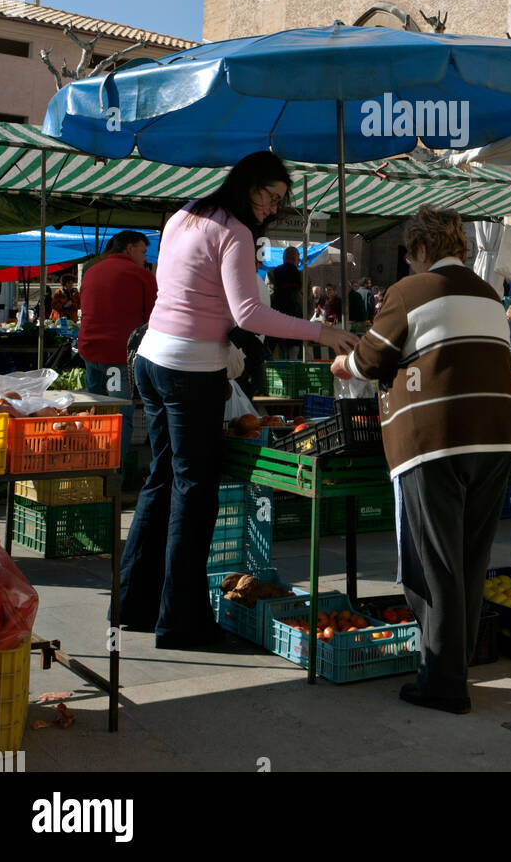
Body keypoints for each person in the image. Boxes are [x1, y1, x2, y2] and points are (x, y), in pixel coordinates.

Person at [119, 151, 356, 650]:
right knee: (193, 491)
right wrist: (322, 332)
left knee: (161, 479)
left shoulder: (185, 214)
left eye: (278, 200)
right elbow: (249, 312)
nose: (271, 207)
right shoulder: (236, 232)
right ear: (245, 184)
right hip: (189, 370)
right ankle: (181, 622)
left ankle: (133, 606)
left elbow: (178, 287)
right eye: (267, 196)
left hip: (152, 358)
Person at [330, 205, 511, 714]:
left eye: (410, 256)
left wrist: (340, 361)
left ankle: (443, 683)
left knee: (434, 563)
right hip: (499, 436)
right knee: (470, 558)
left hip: (437, 438)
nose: (410, 264)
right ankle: (453, 668)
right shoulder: (487, 293)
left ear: (419, 250)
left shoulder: (409, 292)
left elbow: (370, 362)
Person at [77, 231, 158, 464]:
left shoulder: (91, 272)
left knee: (93, 413)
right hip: (119, 356)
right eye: (143, 252)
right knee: (120, 416)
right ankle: (114, 472)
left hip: (90, 352)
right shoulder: (141, 275)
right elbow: (153, 318)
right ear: (129, 248)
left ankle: (89, 465)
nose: (145, 257)